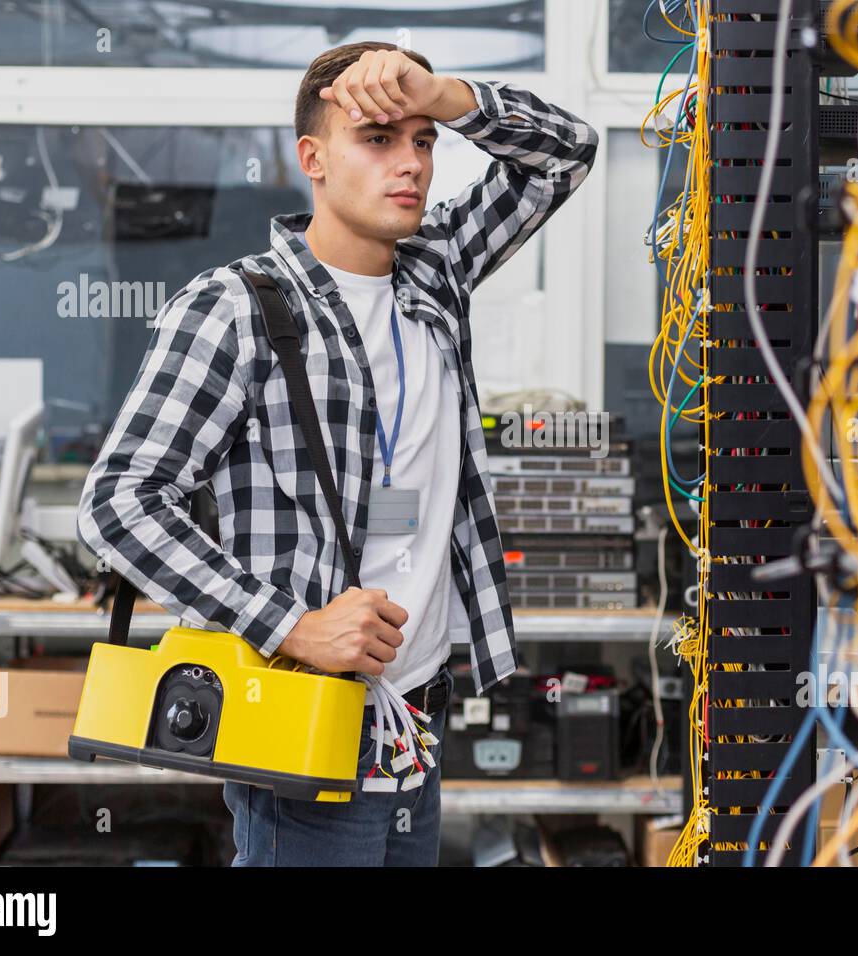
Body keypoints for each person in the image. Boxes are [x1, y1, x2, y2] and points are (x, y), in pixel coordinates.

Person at [77, 41, 598, 866]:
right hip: (304, 719)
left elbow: (566, 151)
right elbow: (118, 503)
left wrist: (445, 94)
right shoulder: (237, 307)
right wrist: (291, 625)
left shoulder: (438, 273)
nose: (413, 165)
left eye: (423, 141)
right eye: (380, 139)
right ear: (312, 160)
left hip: (413, 714)